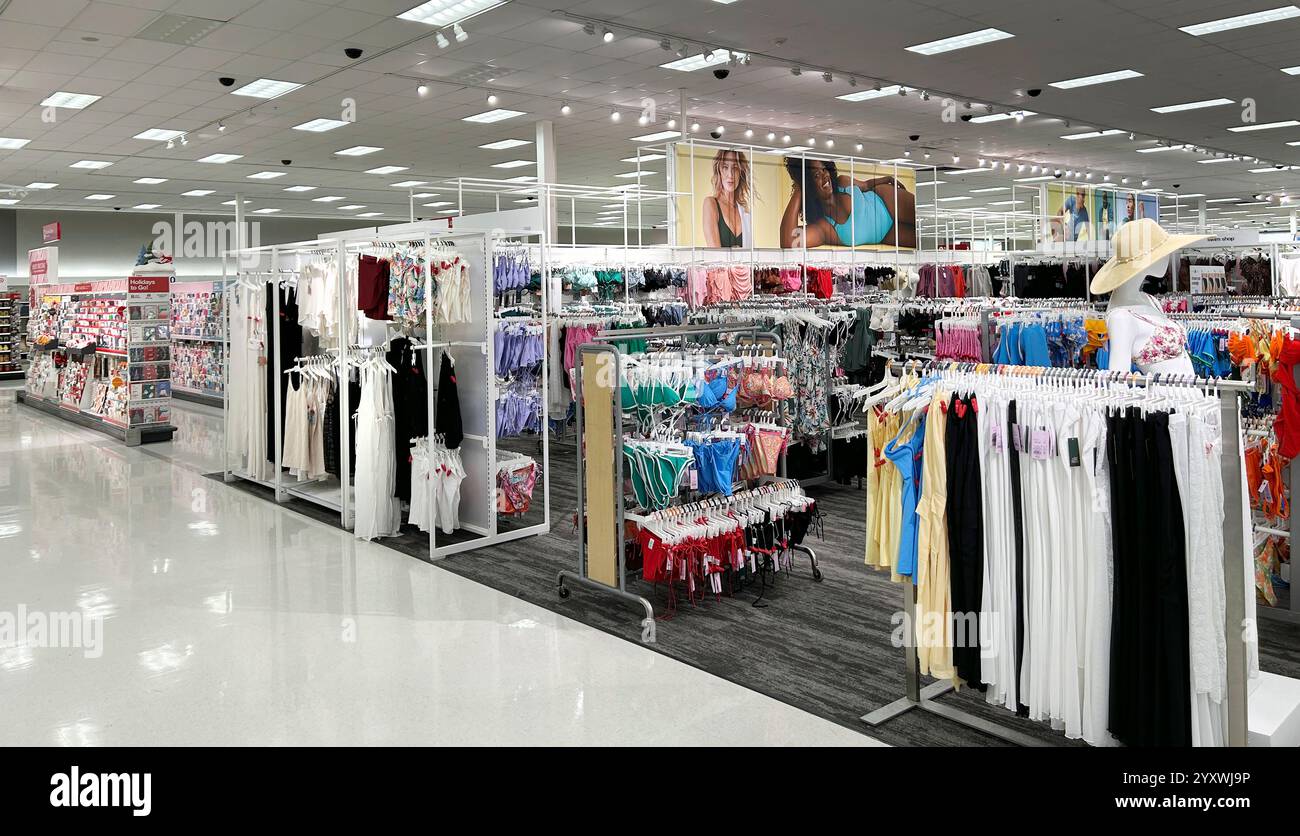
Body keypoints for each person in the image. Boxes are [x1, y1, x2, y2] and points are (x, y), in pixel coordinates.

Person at [779, 158, 916, 248]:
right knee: (925, 242)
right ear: (808, 185)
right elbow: (788, 242)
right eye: (816, 175)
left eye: (824, 169)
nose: (825, 176)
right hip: (886, 234)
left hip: (886, 199)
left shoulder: (842, 182)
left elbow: (866, 185)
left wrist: (887, 179)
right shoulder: (823, 227)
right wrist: (799, 187)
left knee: (926, 226)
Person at [702, 149, 752, 248]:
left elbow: (750, 252)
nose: (730, 174)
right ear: (719, 171)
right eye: (725, 167)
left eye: (735, 168)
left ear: (740, 172)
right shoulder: (711, 204)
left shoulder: (744, 210)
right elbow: (715, 254)